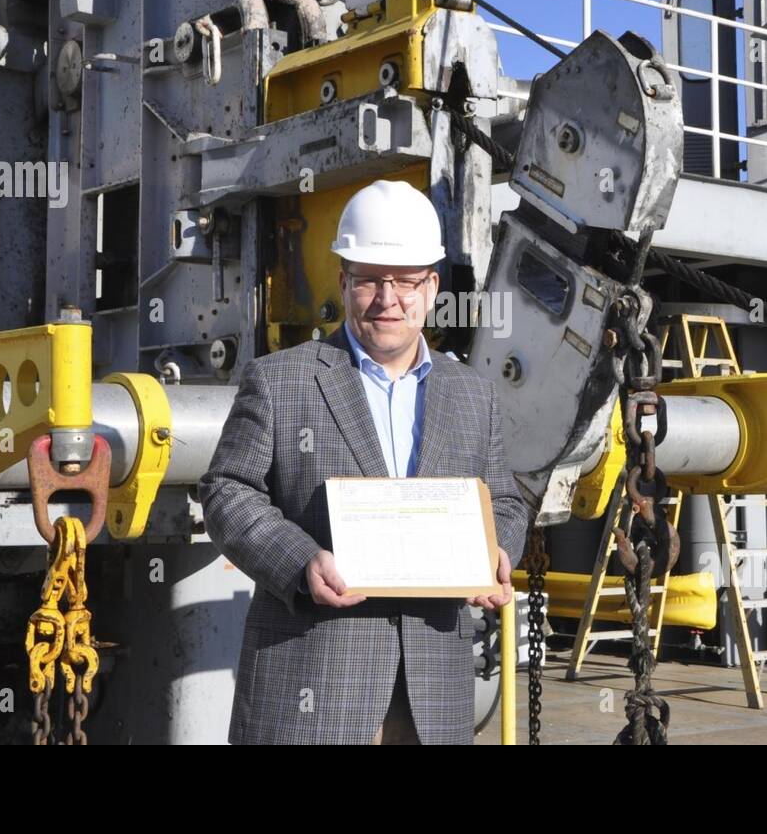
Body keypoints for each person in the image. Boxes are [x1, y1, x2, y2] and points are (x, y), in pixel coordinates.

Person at [199, 178, 531, 744]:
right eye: (370, 281)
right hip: (315, 685)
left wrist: (494, 548)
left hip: (434, 698)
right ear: (343, 282)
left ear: (431, 289)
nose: (388, 300)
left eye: (404, 282)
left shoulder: (472, 395)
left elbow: (503, 498)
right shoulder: (281, 380)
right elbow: (227, 491)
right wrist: (302, 562)